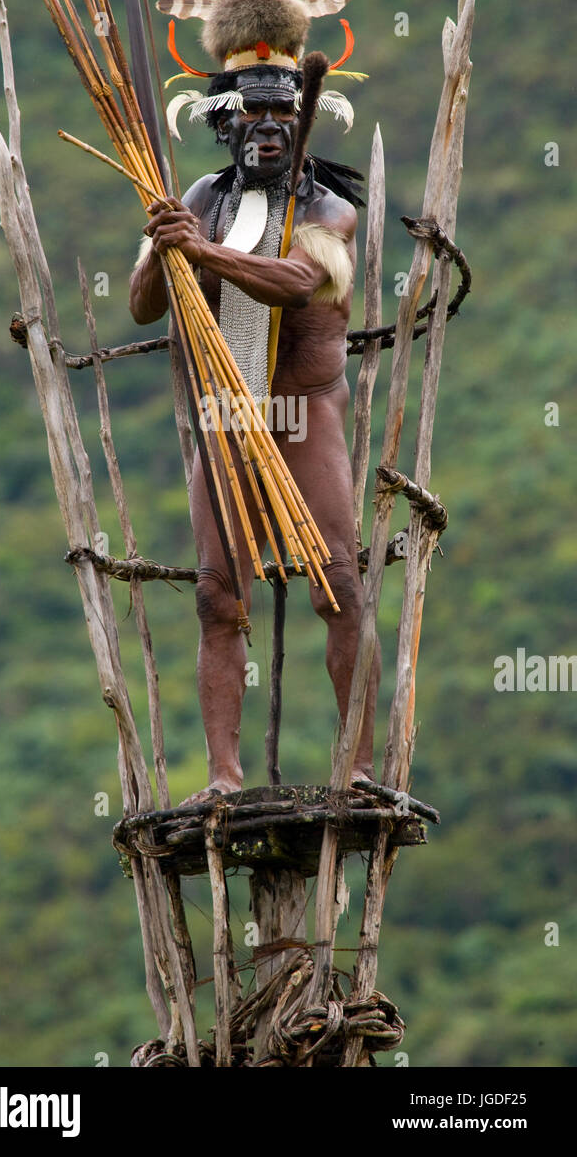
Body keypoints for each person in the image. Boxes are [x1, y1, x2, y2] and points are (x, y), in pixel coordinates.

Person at [128, 61, 381, 803]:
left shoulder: (328, 212)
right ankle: (224, 779)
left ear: (302, 127)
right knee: (216, 595)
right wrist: (165, 244)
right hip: (225, 418)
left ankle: (358, 769)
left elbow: (298, 282)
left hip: (304, 414)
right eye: (251, 117)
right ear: (223, 125)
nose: (267, 131)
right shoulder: (200, 199)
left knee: (338, 583)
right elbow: (147, 306)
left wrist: (201, 252)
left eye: (282, 118)